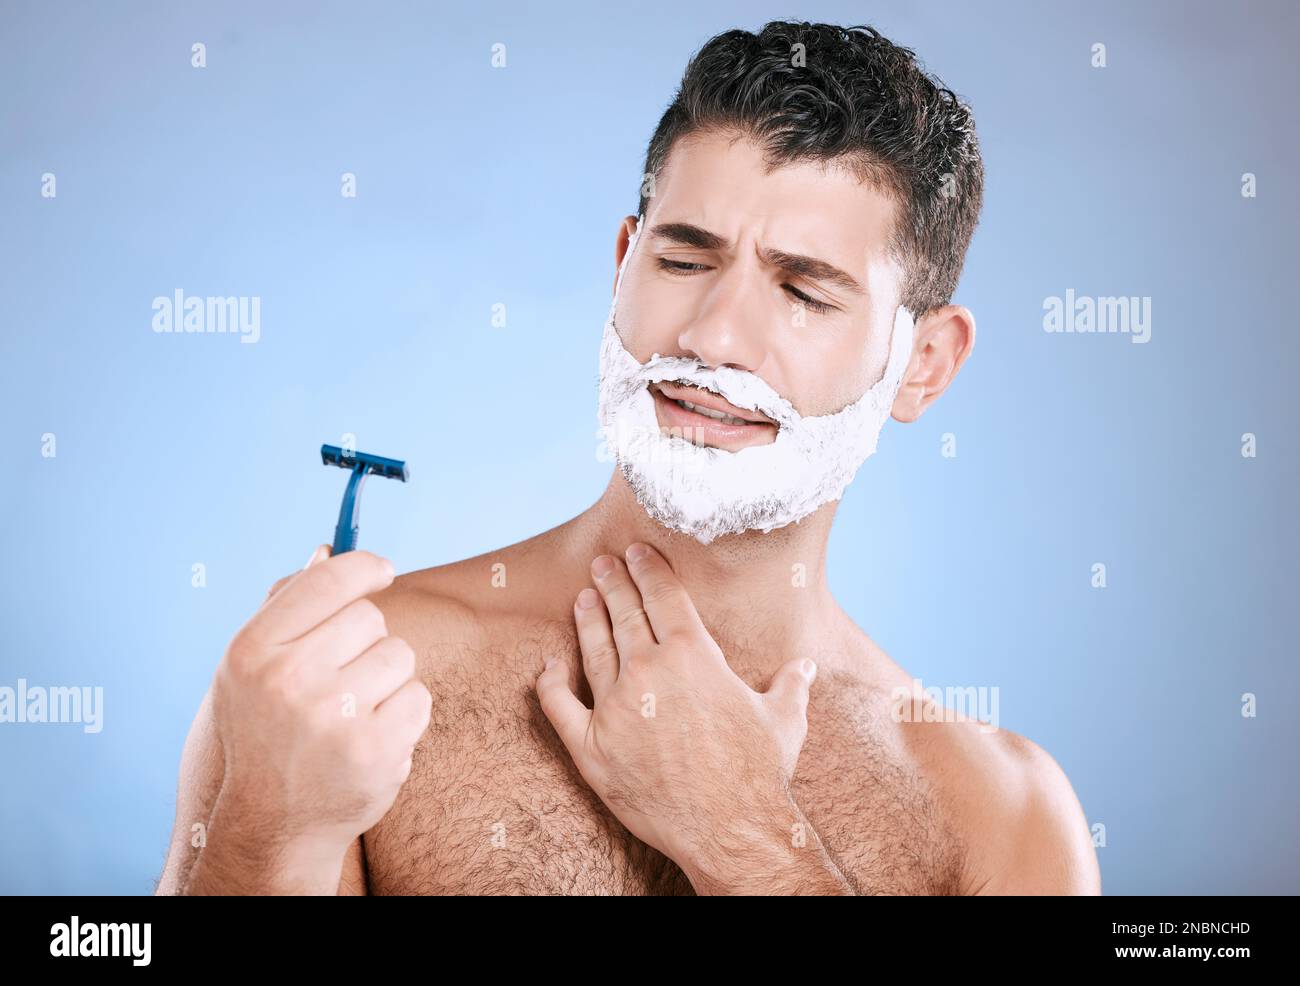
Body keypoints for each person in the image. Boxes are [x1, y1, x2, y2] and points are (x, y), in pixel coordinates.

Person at [157, 20, 1100, 895]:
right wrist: (264, 828)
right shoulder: (351, 687)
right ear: (623, 265)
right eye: (684, 261)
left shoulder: (1001, 811)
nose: (715, 335)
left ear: (922, 366)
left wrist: (752, 842)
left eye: (805, 292)